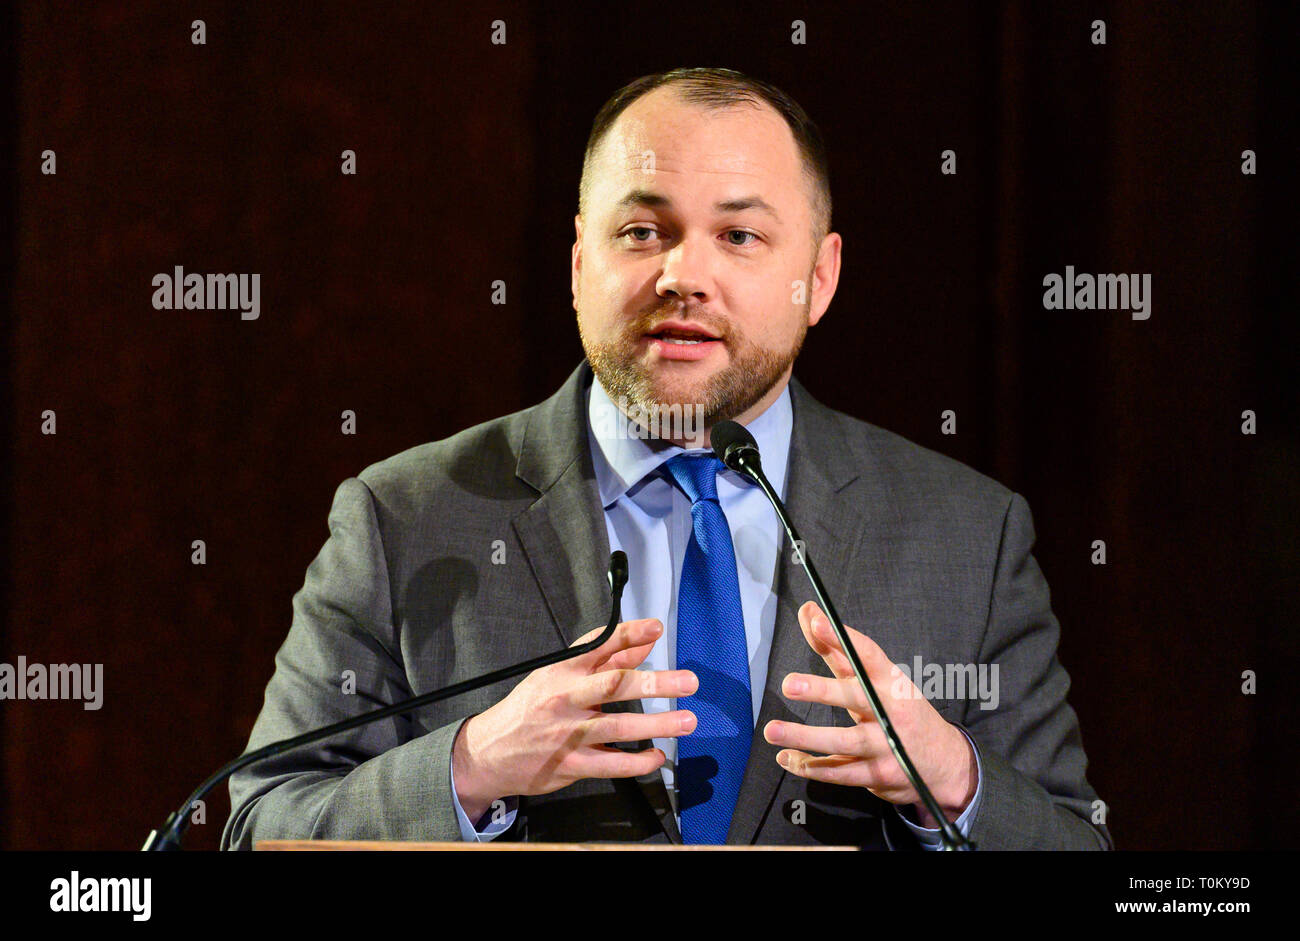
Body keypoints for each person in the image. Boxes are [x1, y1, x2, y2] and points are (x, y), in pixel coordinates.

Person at [222, 67, 1111, 850]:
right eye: (643, 232)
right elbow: (260, 825)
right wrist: (473, 766)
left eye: (740, 236)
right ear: (579, 262)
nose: (685, 274)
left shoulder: (968, 534)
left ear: (822, 277)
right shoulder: (404, 516)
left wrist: (950, 779)